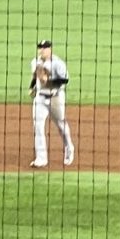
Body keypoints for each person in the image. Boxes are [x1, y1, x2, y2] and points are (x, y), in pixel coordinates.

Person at [29, 38, 74, 168]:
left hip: (56, 98)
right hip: (40, 99)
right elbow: (35, 76)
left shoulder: (58, 63)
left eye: (45, 48)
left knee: (61, 125)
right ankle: (41, 158)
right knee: (38, 126)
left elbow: (65, 80)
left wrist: (48, 82)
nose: (42, 50)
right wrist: (32, 87)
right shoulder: (35, 62)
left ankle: (69, 148)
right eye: (40, 48)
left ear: (50, 49)